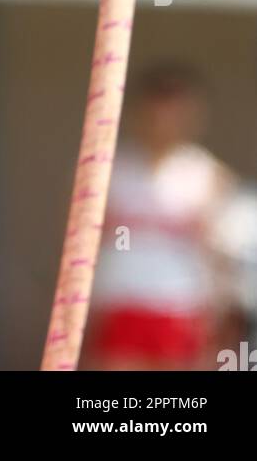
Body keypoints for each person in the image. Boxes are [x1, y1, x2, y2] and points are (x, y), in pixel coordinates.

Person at [83, 63, 241, 371]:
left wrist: (223, 320)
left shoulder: (208, 176)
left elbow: (222, 256)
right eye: (158, 109)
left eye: (175, 110)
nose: (165, 120)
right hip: (120, 305)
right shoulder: (106, 172)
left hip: (181, 308)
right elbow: (80, 249)